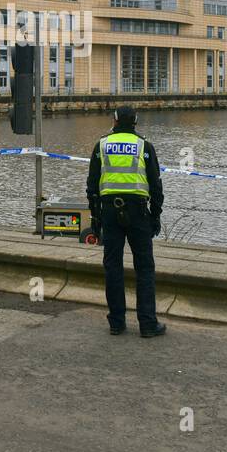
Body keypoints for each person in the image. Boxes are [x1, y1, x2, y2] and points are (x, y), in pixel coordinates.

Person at [85, 105, 166, 337]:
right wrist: (156, 215)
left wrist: (95, 217)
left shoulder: (101, 145)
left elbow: (92, 187)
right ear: (136, 122)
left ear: (115, 120)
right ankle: (148, 324)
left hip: (110, 212)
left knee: (113, 266)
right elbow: (156, 186)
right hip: (139, 213)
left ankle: (116, 322)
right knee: (145, 268)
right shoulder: (144, 146)